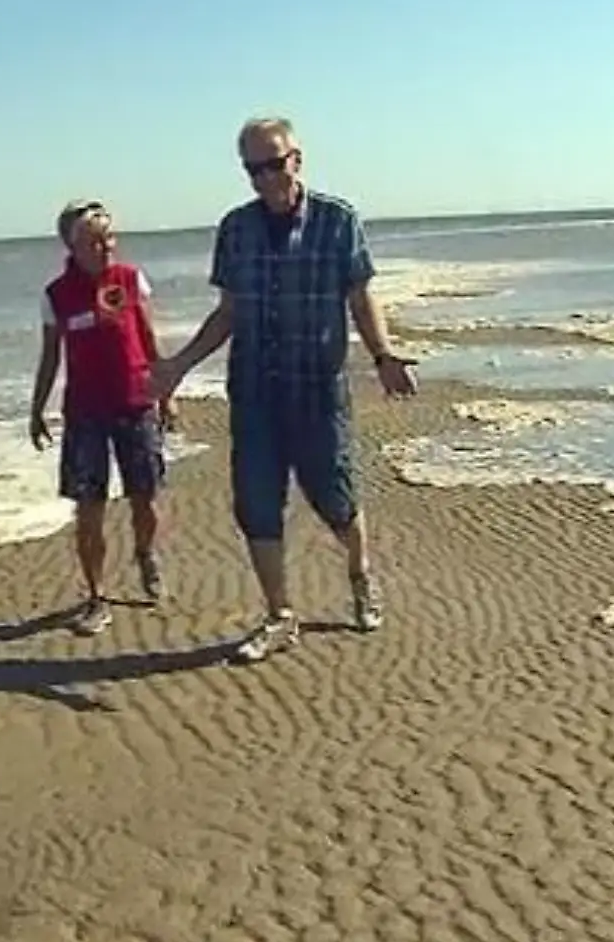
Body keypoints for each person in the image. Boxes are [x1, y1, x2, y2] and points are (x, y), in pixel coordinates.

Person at [150, 117, 417, 663]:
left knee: (336, 501)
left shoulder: (338, 220)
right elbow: (228, 314)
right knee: (257, 506)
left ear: (297, 158)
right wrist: (177, 366)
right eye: (253, 168)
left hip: (318, 391)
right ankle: (280, 617)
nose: (265, 177)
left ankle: (360, 576)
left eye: (273, 163)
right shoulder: (236, 229)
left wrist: (383, 355)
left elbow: (360, 297)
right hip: (254, 394)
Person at [30, 200, 174, 635]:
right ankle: (96, 597)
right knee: (88, 509)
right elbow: (50, 356)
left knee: (145, 497)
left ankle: (146, 553)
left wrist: (166, 392)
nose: (106, 246)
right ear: (71, 246)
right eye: (94, 240)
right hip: (85, 413)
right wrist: (36, 408)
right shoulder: (56, 295)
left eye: (110, 236)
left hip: (135, 402)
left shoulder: (130, 280)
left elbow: (148, 338)